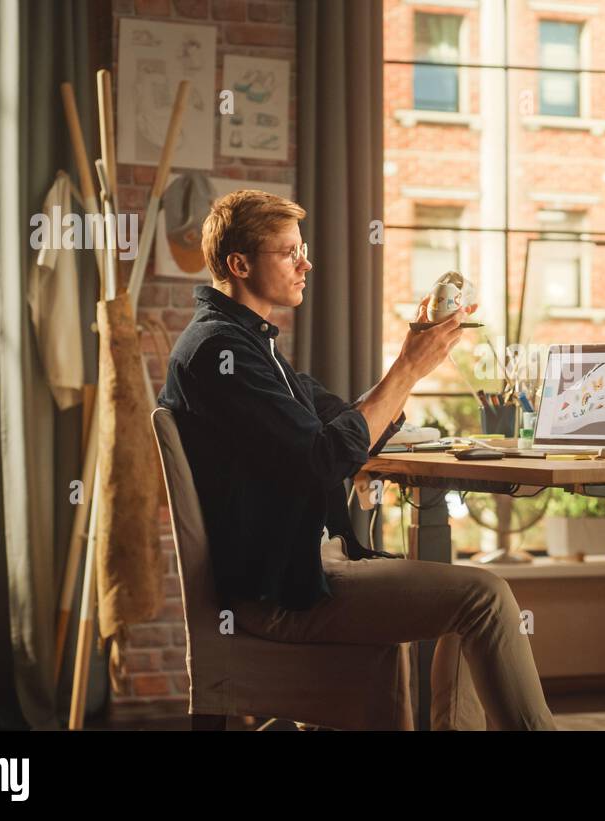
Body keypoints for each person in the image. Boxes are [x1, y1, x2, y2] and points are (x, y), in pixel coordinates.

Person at [157, 189, 555, 730]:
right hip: (281, 589)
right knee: (484, 597)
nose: (307, 263)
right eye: (289, 252)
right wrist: (407, 370)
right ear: (239, 263)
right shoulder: (219, 354)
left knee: (468, 597)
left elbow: (344, 422)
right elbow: (325, 458)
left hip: (305, 566)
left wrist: (412, 354)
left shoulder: (248, 343)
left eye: (304, 249)